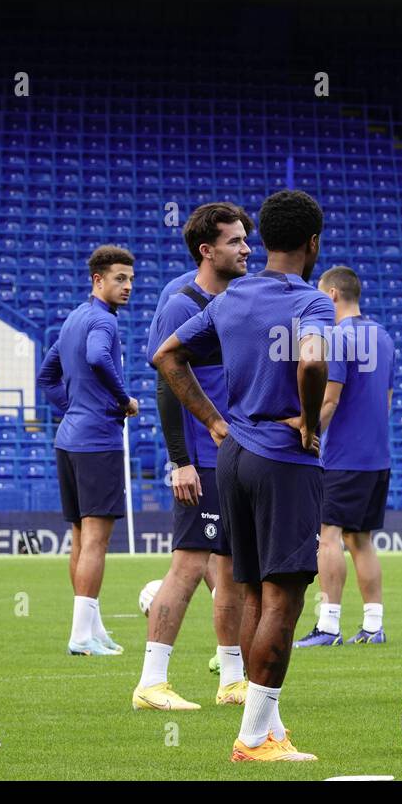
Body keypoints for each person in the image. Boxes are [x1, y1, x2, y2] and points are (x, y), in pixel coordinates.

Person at [154, 189, 332, 762]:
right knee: (285, 599)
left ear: (264, 241)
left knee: (253, 591)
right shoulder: (313, 301)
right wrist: (307, 421)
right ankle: (254, 737)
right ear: (312, 243)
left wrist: (212, 421)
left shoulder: (232, 298)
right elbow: (312, 359)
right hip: (284, 459)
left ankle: (268, 729)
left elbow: (166, 355)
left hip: (234, 455)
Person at [133, 204, 251, 711]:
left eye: (246, 239)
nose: (246, 248)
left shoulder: (240, 295)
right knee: (187, 564)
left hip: (233, 452)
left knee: (230, 569)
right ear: (208, 250)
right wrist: (179, 460)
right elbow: (166, 380)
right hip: (200, 456)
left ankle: (231, 678)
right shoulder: (181, 302)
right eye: (235, 241)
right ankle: (152, 681)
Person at [38, 245, 138, 656]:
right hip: (97, 442)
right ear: (98, 279)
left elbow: (47, 377)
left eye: (130, 279)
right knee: (96, 541)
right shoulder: (102, 322)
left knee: (80, 538)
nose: (127, 286)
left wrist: (73, 408)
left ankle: (92, 630)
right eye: (119, 278)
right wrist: (123, 400)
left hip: (69, 439)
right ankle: (80, 636)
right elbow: (99, 357)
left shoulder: (73, 319)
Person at [295, 265, 395, 647]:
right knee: (361, 539)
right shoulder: (383, 336)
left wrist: (308, 430)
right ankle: (373, 626)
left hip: (342, 456)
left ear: (332, 295)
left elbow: (330, 399)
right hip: (376, 456)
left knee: (329, 535)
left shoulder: (336, 337)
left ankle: (329, 626)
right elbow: (385, 401)